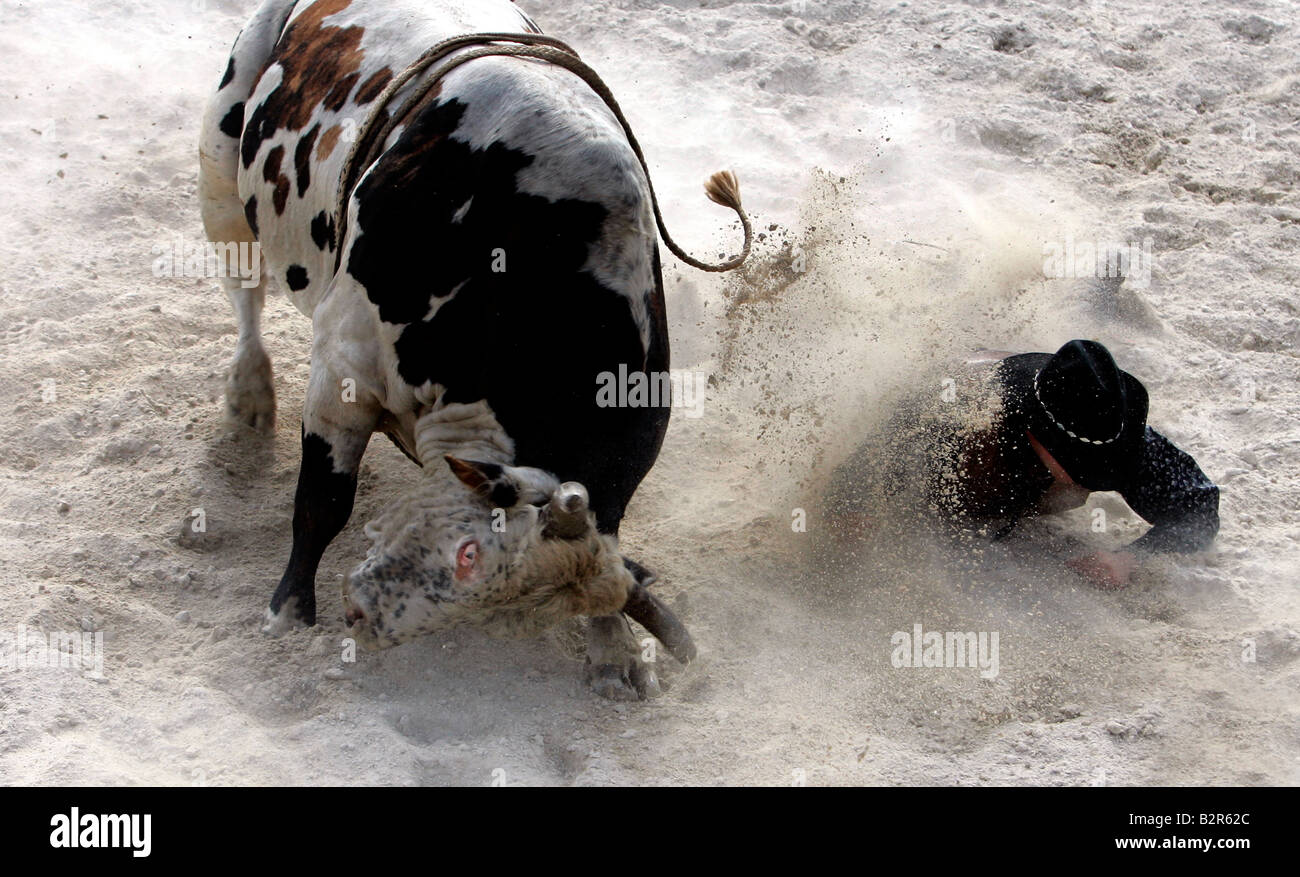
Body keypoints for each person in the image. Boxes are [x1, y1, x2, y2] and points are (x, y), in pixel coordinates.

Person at [825, 340, 1219, 588]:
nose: (1097, 470)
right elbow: (852, 483)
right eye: (1082, 464)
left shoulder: (1108, 429)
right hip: (958, 391)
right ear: (1038, 437)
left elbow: (1197, 508)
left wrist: (1130, 557)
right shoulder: (951, 422)